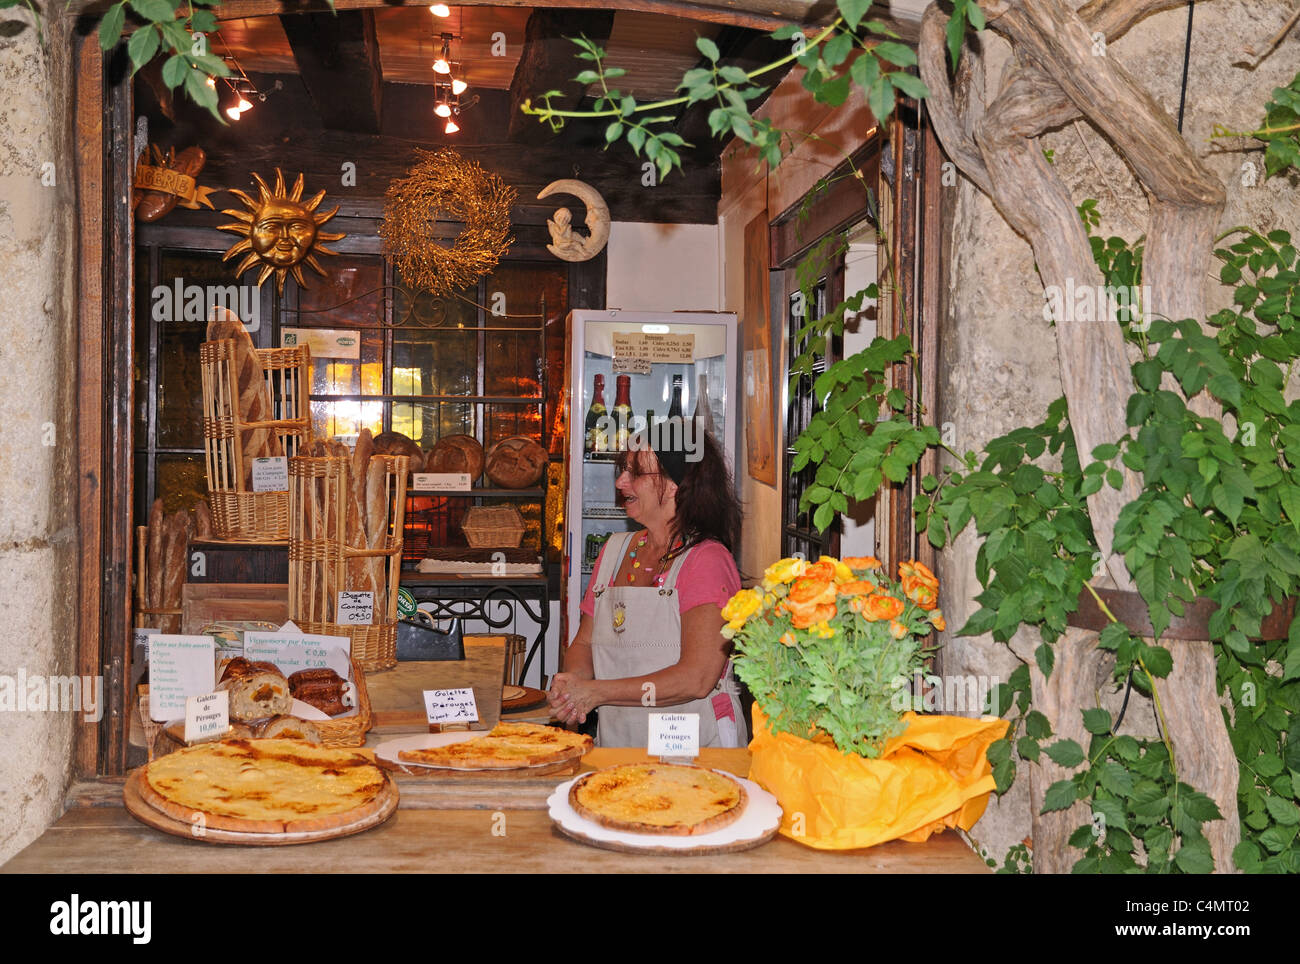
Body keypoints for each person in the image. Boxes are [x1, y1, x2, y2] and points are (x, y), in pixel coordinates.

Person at [548, 424, 747, 747]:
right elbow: (584, 644)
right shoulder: (614, 551)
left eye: (635, 472)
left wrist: (597, 692)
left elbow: (696, 678)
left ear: (674, 485)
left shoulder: (706, 560)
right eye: (623, 469)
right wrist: (575, 687)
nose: (620, 482)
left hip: (692, 746)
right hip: (618, 739)